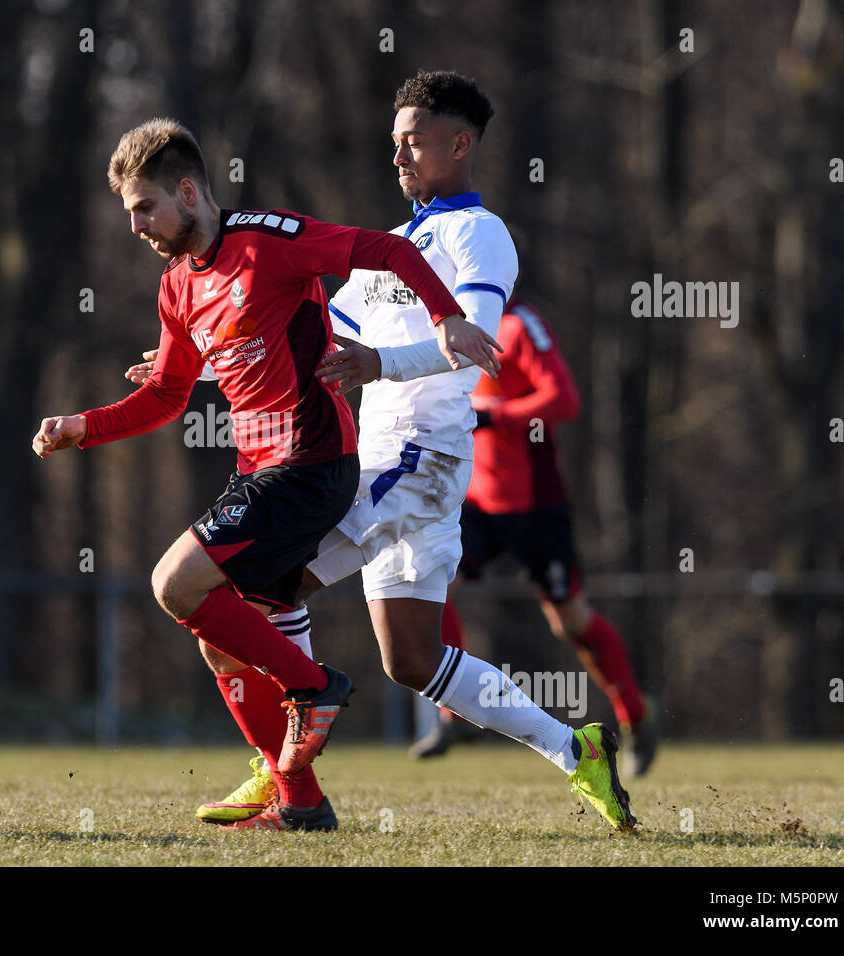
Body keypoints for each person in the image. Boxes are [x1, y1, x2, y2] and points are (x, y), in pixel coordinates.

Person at [132, 71, 637, 831]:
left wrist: (384, 367)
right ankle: (579, 750)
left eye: (414, 140)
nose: (397, 154)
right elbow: (316, 337)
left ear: (459, 145)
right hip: (388, 462)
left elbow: (478, 342)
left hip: (417, 457)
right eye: (394, 140)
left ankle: (287, 773)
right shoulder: (397, 246)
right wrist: (194, 365)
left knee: (264, 586)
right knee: (412, 661)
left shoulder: (480, 234)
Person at [33, 117, 502, 830]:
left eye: (143, 208)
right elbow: (166, 397)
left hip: (312, 463)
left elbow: (383, 251)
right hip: (258, 472)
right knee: (220, 640)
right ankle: (303, 803)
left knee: (173, 583)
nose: (136, 226)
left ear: (188, 192)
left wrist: (443, 318)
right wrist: (82, 427)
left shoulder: (268, 240)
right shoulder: (176, 289)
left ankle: (314, 687)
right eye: (128, 213)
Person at [409, 296, 660, 777]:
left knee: (571, 623)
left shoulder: (520, 325)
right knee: (430, 588)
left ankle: (635, 717)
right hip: (476, 501)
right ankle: (455, 714)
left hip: (534, 505)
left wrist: (496, 416)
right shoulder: (448, 324)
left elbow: (564, 399)